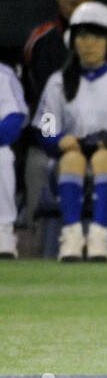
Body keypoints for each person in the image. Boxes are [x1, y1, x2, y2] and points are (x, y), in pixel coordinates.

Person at [35, 2, 107, 262]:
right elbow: (45, 133)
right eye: (83, 35)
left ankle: (100, 236)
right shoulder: (57, 82)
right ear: (72, 40)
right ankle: (72, 237)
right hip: (69, 162)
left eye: (97, 36)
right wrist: (60, 140)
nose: (89, 43)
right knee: (73, 158)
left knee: (102, 159)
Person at [20, 0, 97, 231]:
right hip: (49, 145)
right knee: (38, 160)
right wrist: (55, 139)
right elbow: (36, 102)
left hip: (97, 145)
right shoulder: (41, 40)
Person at [0, 64, 27, 258]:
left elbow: (15, 121)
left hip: (44, 152)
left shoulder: (4, 75)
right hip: (48, 149)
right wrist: (53, 141)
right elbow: (49, 132)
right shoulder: (56, 82)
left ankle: (2, 231)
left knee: (2, 155)